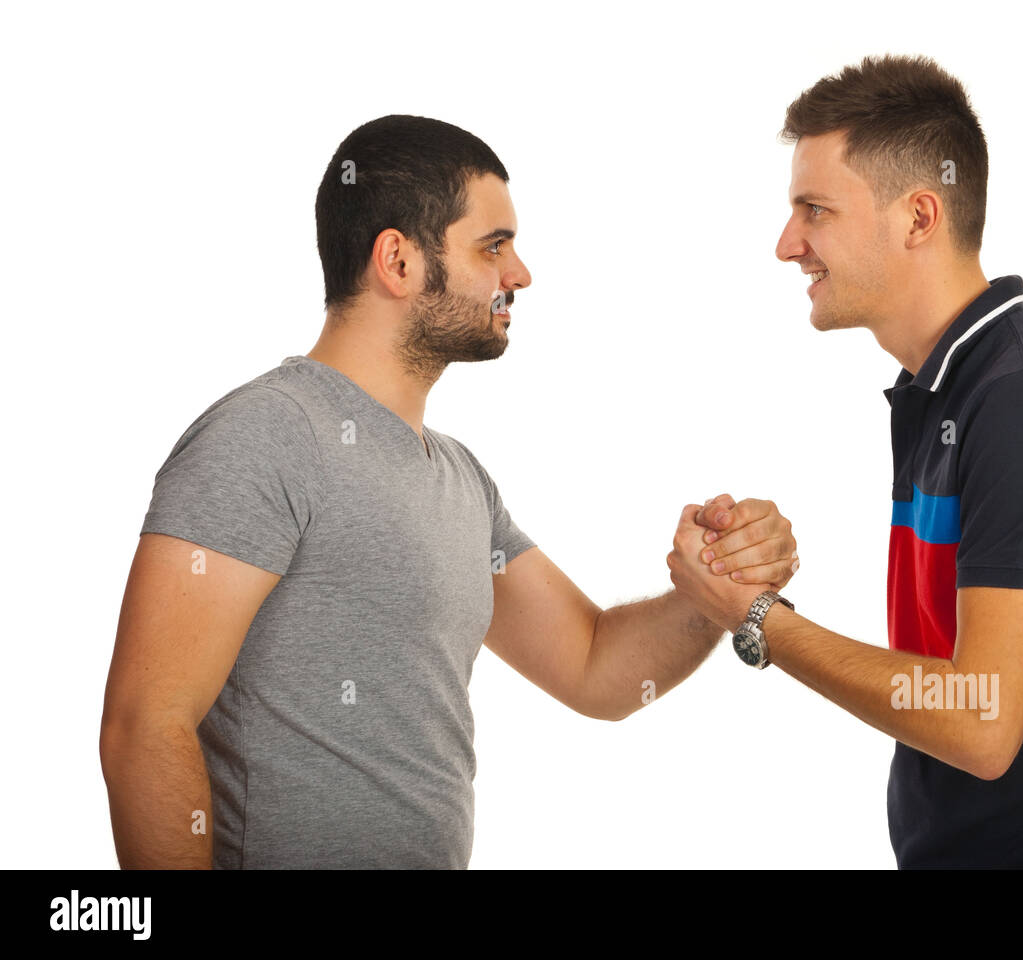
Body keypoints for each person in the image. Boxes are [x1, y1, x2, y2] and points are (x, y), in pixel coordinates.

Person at [99, 115, 798, 869]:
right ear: (398, 260)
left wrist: (711, 591)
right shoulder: (267, 436)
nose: (520, 274)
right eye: (493, 246)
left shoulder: (460, 479)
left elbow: (596, 669)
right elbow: (145, 725)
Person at [667, 55, 1023, 868]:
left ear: (917, 217)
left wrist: (760, 618)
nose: (786, 244)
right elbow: (952, 676)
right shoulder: (944, 393)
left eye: (815, 210)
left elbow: (978, 725)